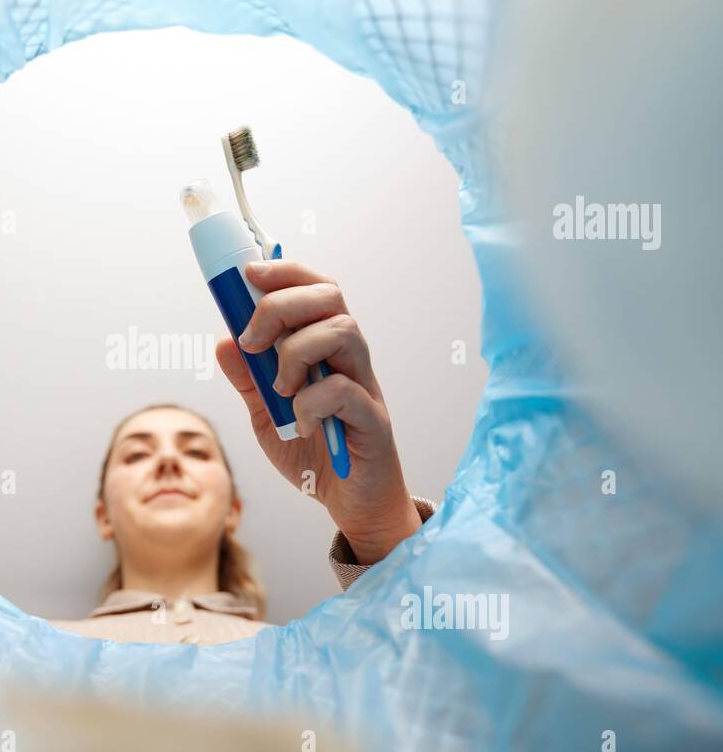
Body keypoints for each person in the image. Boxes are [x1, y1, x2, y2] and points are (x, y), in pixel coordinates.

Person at [49, 259, 436, 645]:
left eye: (197, 453)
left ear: (233, 510)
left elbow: (450, 688)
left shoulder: (320, 656)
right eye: (136, 456)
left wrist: (379, 522)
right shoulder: (24, 651)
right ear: (103, 517)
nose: (168, 461)